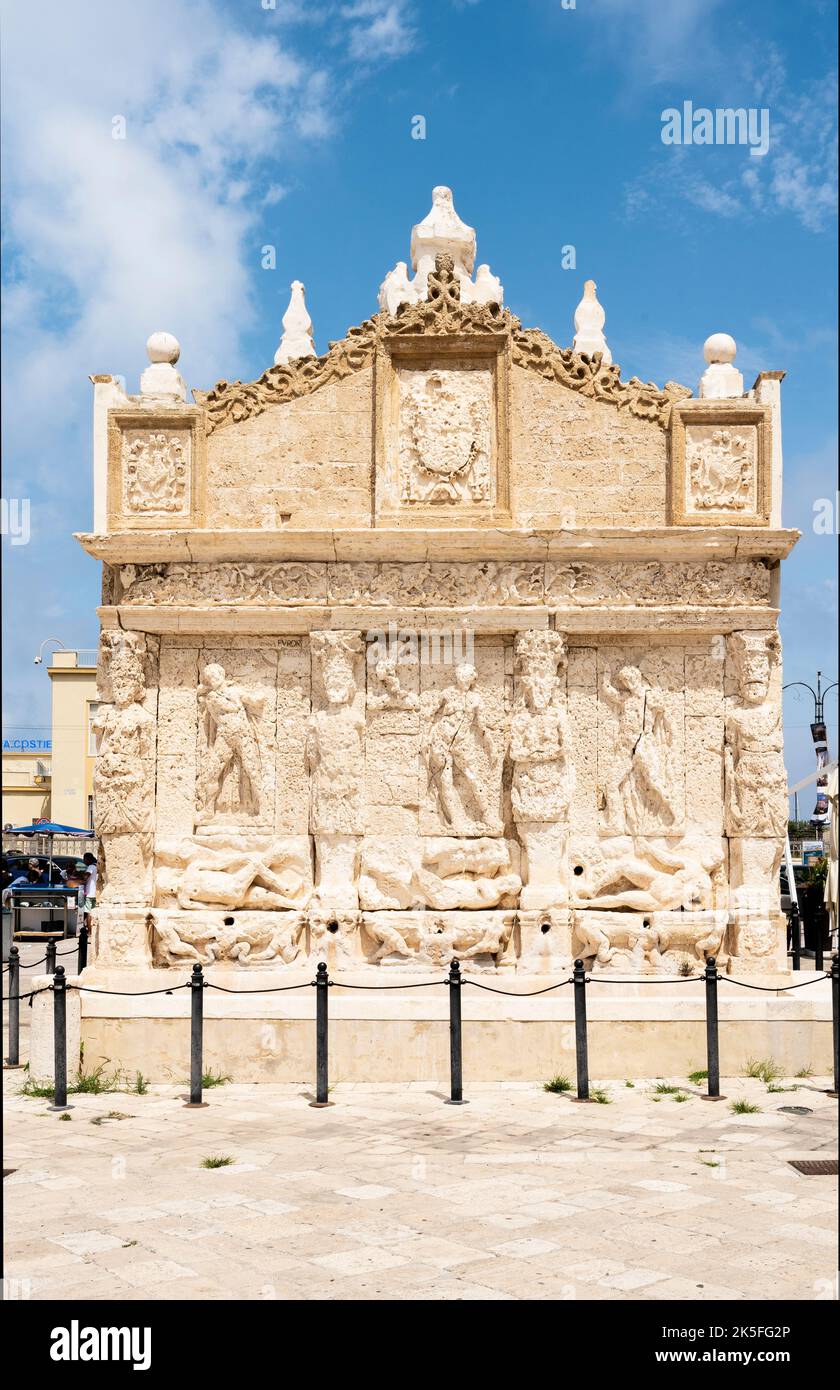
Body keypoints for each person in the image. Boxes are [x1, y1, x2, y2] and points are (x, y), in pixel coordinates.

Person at [80, 851, 97, 929]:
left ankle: (90, 933)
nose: (84, 861)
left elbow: (86, 877)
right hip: (96, 893)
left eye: (84, 859)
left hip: (90, 893)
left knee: (89, 913)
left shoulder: (91, 867)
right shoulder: (97, 866)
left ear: (88, 859)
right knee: (94, 913)